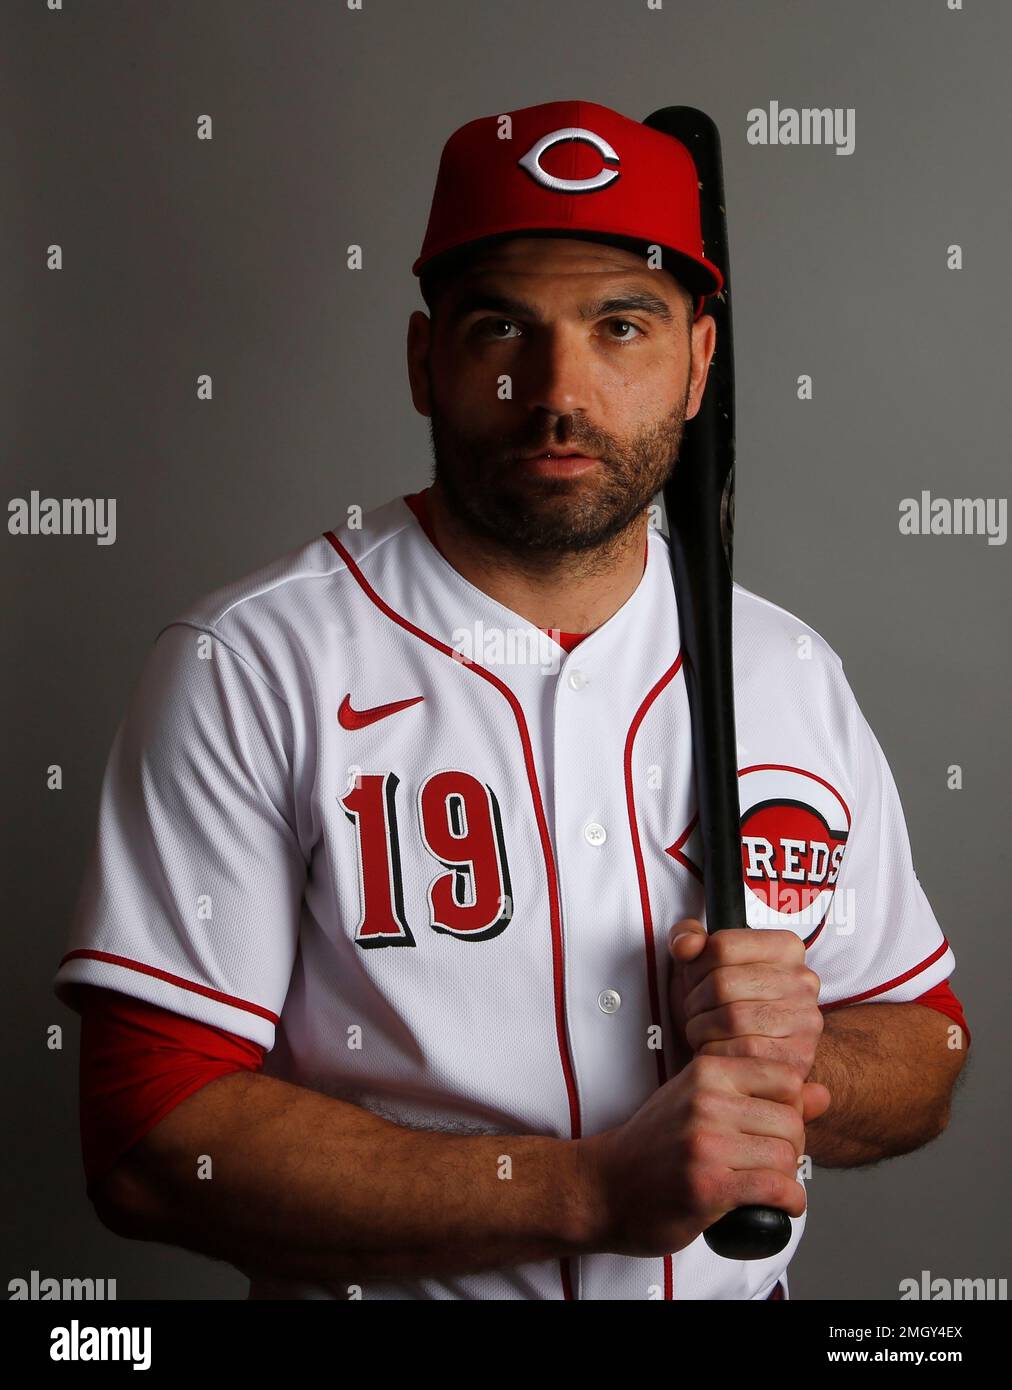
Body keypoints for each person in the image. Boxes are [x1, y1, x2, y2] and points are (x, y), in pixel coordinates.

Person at [54, 99, 969, 1301]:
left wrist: (811, 1066)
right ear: (425, 359)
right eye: (501, 327)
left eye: (621, 325)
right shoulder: (252, 659)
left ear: (699, 364)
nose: (557, 390)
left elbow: (926, 1044)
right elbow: (150, 1141)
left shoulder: (784, 668)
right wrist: (582, 1192)